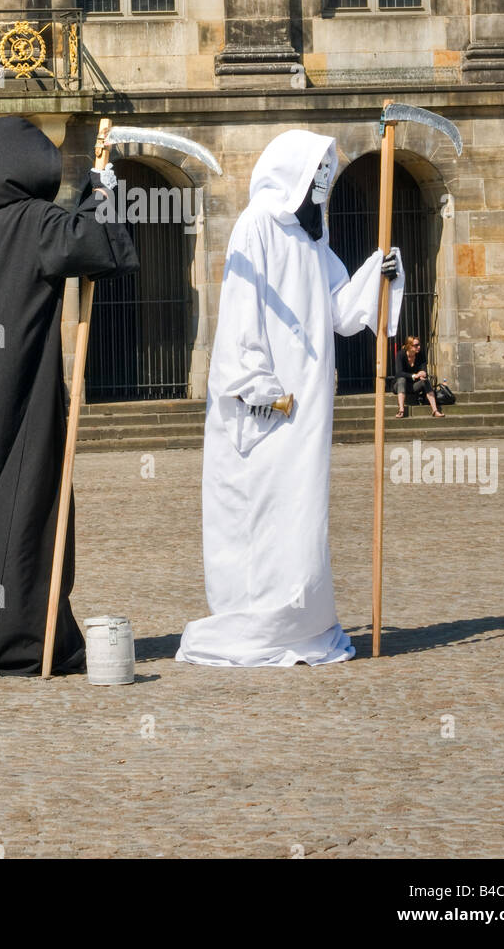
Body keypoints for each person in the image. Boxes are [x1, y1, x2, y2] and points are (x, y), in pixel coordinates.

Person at [176, 129, 404, 669]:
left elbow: (342, 313)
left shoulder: (314, 239)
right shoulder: (256, 226)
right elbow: (239, 309)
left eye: (329, 173)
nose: (324, 183)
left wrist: (378, 271)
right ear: (292, 174)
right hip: (268, 405)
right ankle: (255, 619)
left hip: (309, 404)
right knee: (261, 508)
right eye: (317, 172)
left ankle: (300, 622)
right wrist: (259, 387)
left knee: (302, 512)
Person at [0, 116, 138, 677]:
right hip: (21, 397)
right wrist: (100, 192)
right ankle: (17, 638)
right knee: (28, 510)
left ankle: (22, 628)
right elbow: (93, 245)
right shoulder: (33, 222)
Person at [394, 335, 444, 418]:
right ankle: (401, 410)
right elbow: (399, 373)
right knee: (402, 379)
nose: (419, 347)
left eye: (419, 344)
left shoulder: (420, 355)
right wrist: (415, 375)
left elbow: (424, 370)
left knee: (425, 381)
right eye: (416, 345)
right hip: (400, 386)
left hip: (414, 386)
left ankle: (435, 410)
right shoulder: (401, 355)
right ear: (409, 346)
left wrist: (423, 374)